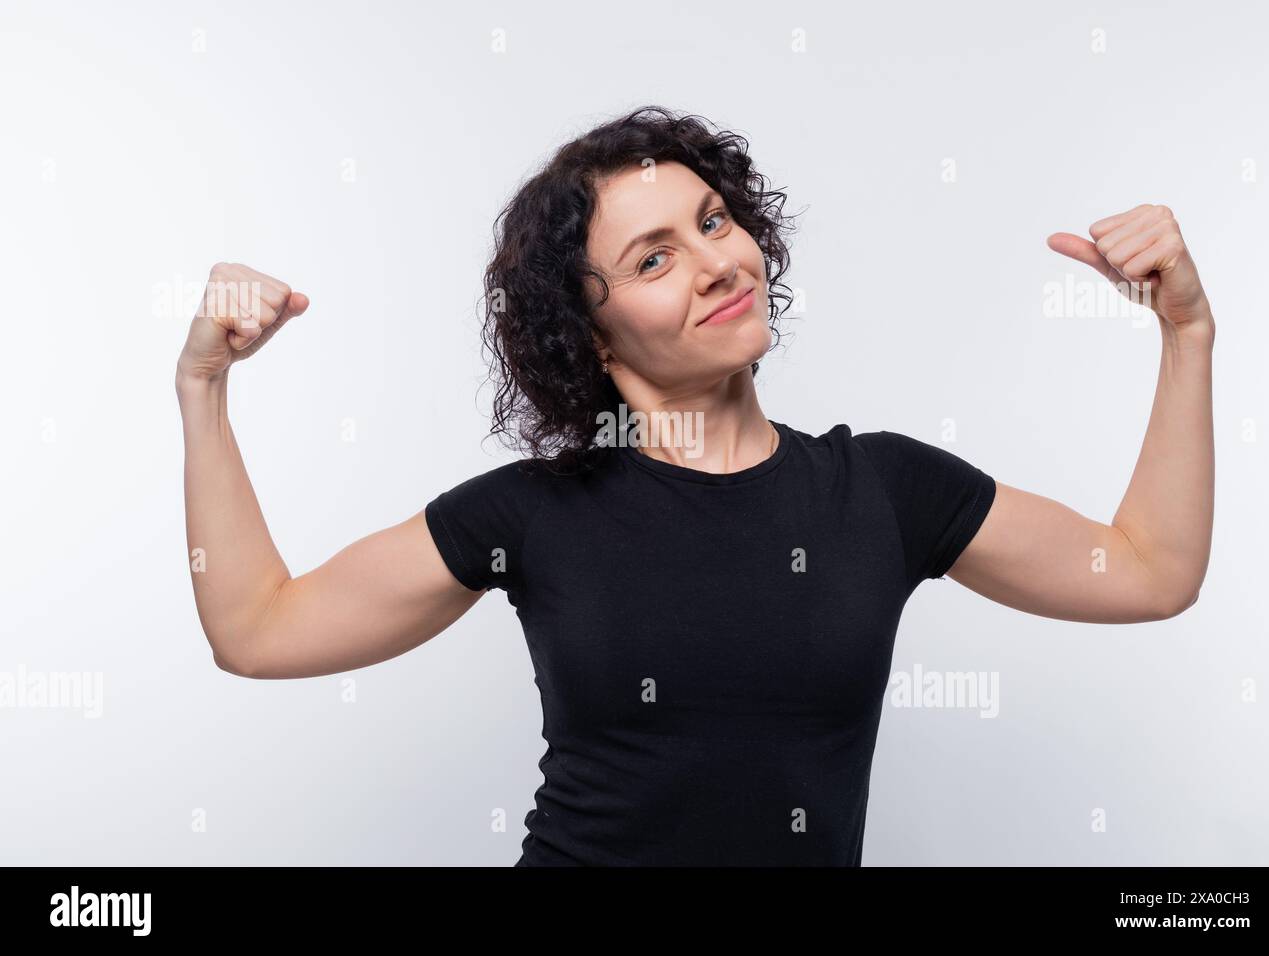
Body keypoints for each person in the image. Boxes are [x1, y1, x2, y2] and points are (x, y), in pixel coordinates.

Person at [175, 106, 1215, 866]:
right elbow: (259, 630)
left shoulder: (884, 488)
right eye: (654, 257)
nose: (718, 262)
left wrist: (1186, 333)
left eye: (715, 222)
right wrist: (204, 387)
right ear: (589, 330)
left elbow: (1148, 571)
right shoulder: (530, 513)